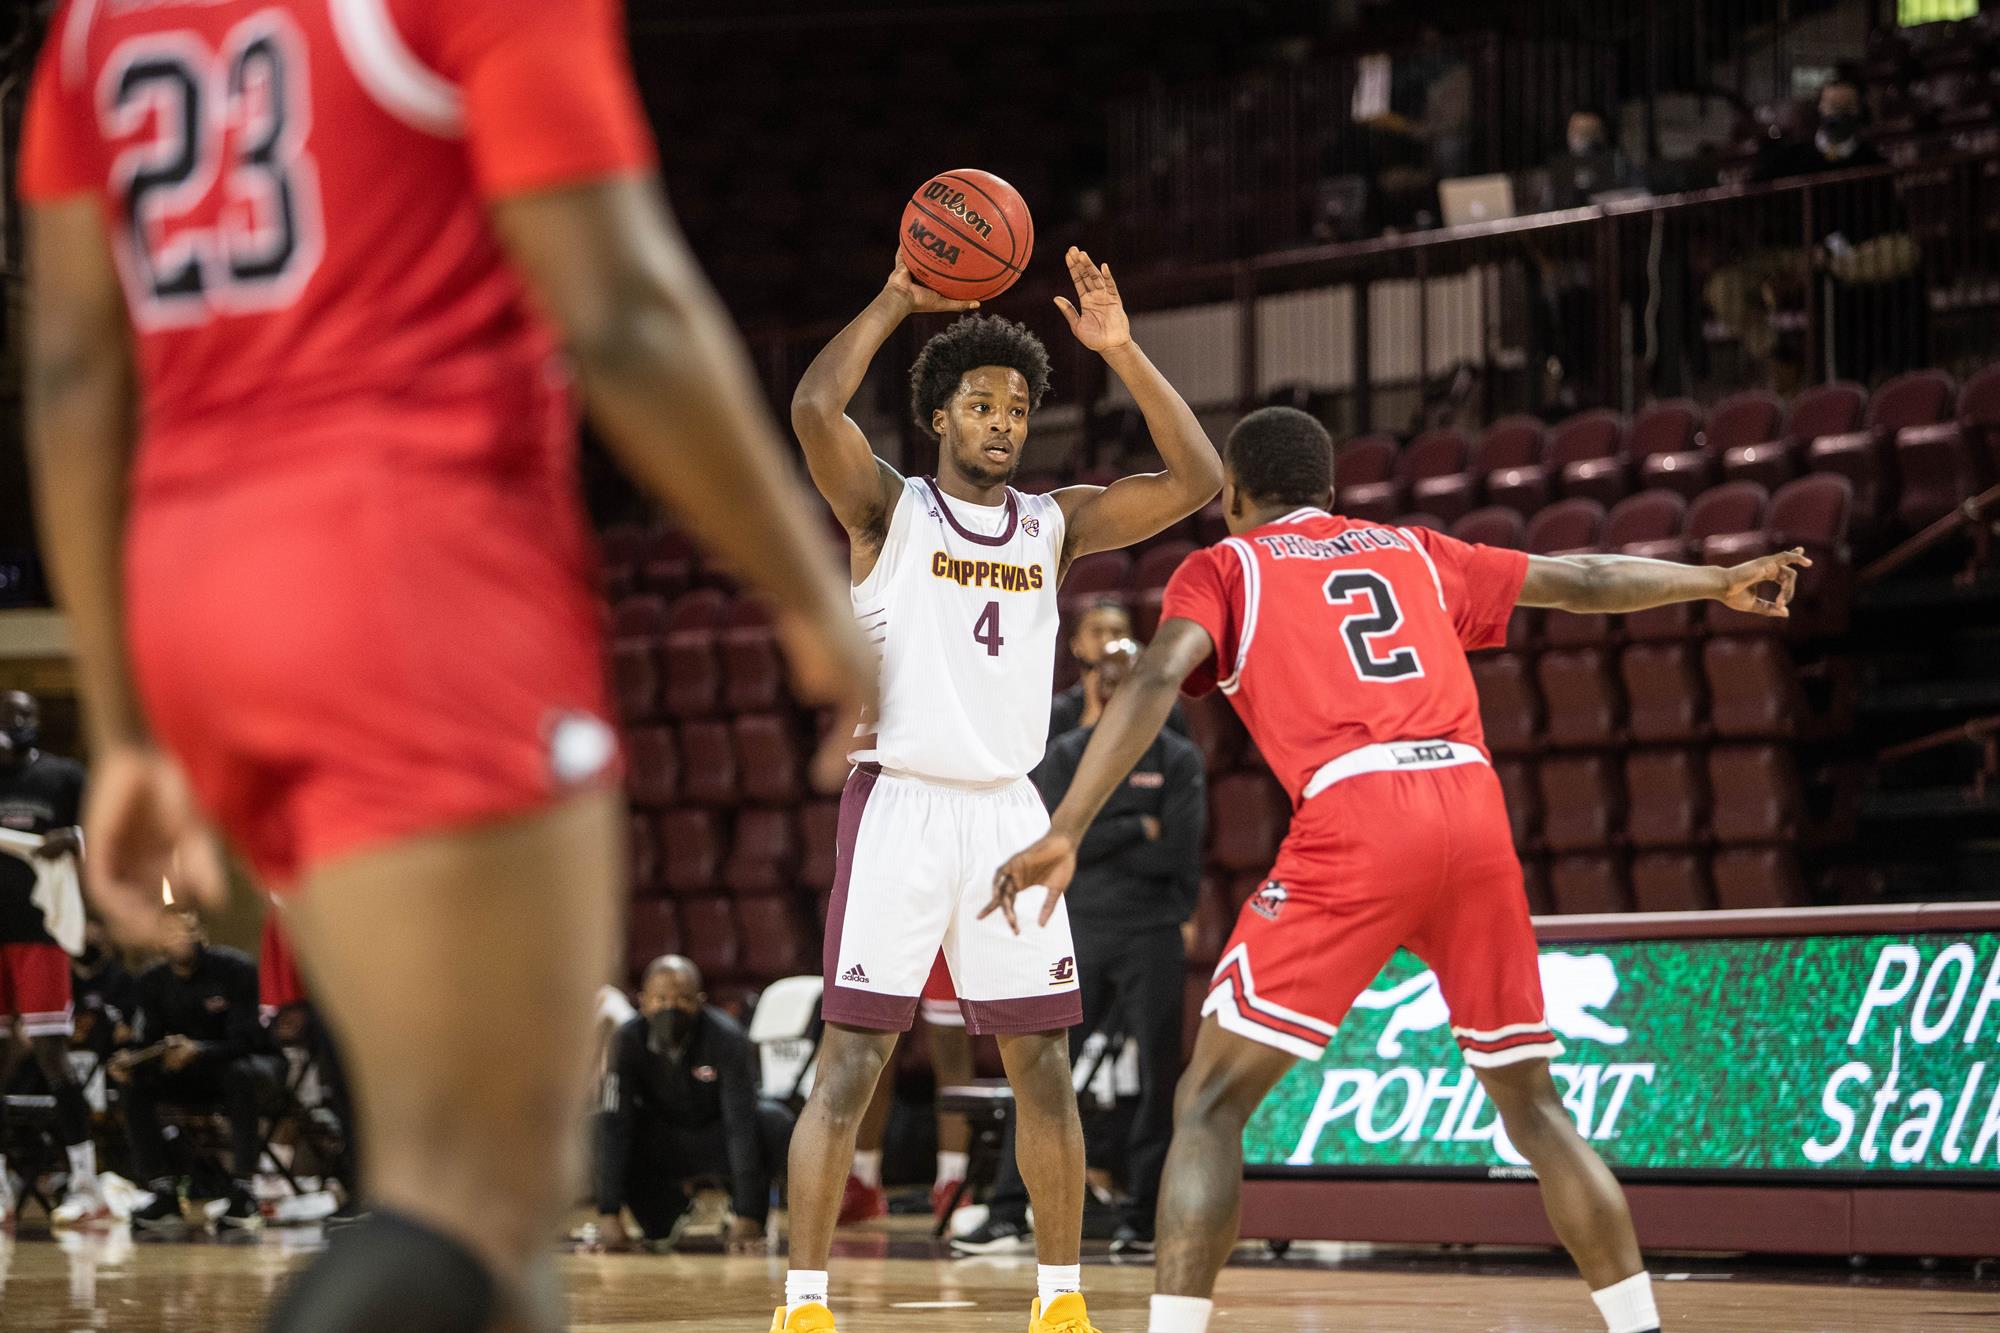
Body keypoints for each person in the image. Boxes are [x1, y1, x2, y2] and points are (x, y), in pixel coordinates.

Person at [21, 0, 869, 1327]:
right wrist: (809, 594)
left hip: (195, 583)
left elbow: (73, 366)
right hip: (403, 567)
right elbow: (625, 313)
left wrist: (127, 723)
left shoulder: (91, 22)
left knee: (442, 1178)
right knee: (476, 1201)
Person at [990, 407, 1811, 1333]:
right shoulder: (1413, 549)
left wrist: (1065, 825)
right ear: (1332, 494)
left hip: (1358, 811)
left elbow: (1148, 681)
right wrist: (1718, 578)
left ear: (1230, 498)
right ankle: (1640, 1327)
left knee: (1212, 1100)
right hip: (1472, 804)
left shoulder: (1225, 566)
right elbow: (1582, 578)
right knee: (1534, 1105)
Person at [783, 246, 1223, 1333]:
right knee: (849, 1062)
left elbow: (1198, 481)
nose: (1001, 422)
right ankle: (801, 1304)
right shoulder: (885, 509)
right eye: (980, 403)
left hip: (1007, 811)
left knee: (1042, 1068)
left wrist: (1120, 351)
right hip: (898, 801)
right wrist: (892, 294)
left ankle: (1059, 1297)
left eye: (1017, 408)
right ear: (940, 416)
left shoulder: (1053, 522)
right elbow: (811, 407)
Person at [957, 638, 1205, 1258]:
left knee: (1158, 1075)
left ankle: (1143, 1218)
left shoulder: (1178, 758)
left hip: (1152, 931)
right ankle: (1009, 1212)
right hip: (1078, 925)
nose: (1118, 683)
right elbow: (1057, 846)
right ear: (1090, 680)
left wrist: (1098, 836)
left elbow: (1177, 853)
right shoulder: (1063, 754)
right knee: (1041, 1063)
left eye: (1131, 673)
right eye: (1107, 673)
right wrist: (1133, 825)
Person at [594, 957, 791, 1253]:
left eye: (683, 999)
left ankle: (743, 1207)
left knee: (772, 1121)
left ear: (700, 1001)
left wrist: (748, 1213)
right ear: (643, 1002)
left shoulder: (726, 1037)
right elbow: (616, 1123)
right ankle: (667, 1210)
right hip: (663, 1139)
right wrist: (608, 1212)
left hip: (718, 1134)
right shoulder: (627, 1041)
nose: (670, 1008)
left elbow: (741, 1124)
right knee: (596, 1126)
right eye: (660, 998)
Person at [0, 690, 104, 1227]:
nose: (8, 727)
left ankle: (87, 1184)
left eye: (17, 717)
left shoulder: (62, 777)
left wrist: (77, 837)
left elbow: (107, 834)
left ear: (33, 722)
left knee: (50, 1054)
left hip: (40, 932)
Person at [117, 907, 280, 1231]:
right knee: (131, 1082)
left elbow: (247, 1039)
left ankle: (243, 1191)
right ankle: (163, 1191)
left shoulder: (236, 969)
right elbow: (148, 1039)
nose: (180, 938)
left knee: (238, 1073)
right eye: (170, 932)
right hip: (187, 1071)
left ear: (201, 935)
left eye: (187, 930)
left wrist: (199, 1050)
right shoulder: (151, 980)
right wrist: (129, 1059)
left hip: (246, 1064)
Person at [1048, 600, 1187, 740]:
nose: (1107, 640)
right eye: (1096, 632)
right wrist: (1091, 718)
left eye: (1117, 632)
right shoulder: (1058, 711)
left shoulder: (1162, 704)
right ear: (1076, 645)